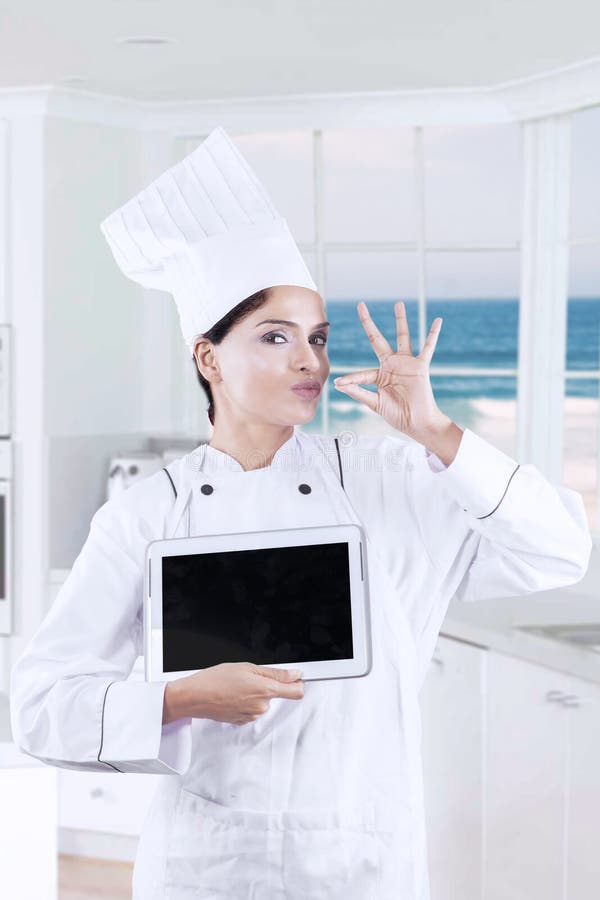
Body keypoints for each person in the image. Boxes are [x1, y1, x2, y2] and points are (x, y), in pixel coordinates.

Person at [10, 127, 592, 900]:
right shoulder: (149, 513)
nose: (308, 361)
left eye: (316, 339)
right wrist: (183, 697)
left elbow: (558, 551)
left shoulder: (391, 481)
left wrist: (437, 431)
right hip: (209, 867)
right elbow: (43, 707)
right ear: (208, 358)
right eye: (275, 337)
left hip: (367, 864)